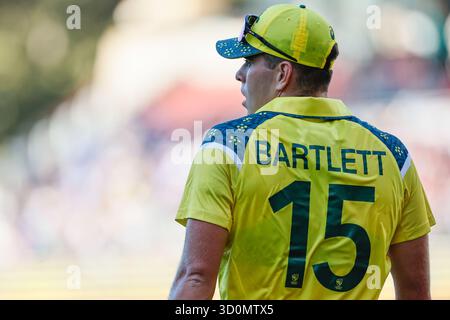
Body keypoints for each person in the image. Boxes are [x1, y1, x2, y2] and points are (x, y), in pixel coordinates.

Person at [169, 3, 435, 300]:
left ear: (283, 74)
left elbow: (196, 278)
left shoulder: (228, 144)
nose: (239, 74)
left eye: (249, 60)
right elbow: (415, 291)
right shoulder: (393, 154)